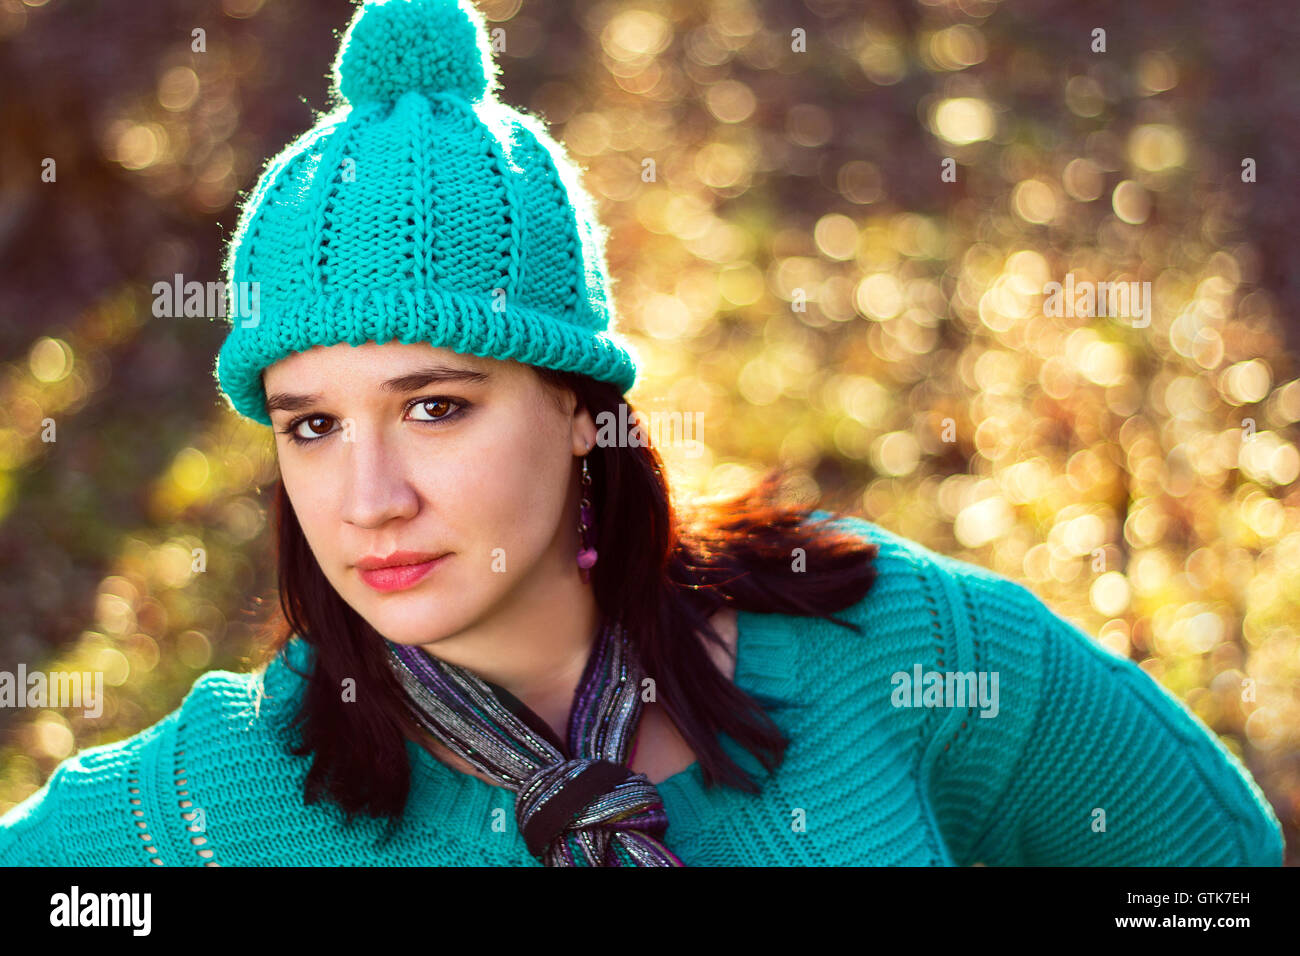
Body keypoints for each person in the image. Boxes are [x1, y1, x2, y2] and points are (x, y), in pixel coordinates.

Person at [0, 0, 1285, 867]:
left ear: (575, 412)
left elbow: (1210, 864)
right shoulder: (227, 795)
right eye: (313, 425)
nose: (367, 495)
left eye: (435, 407)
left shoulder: (873, 639)